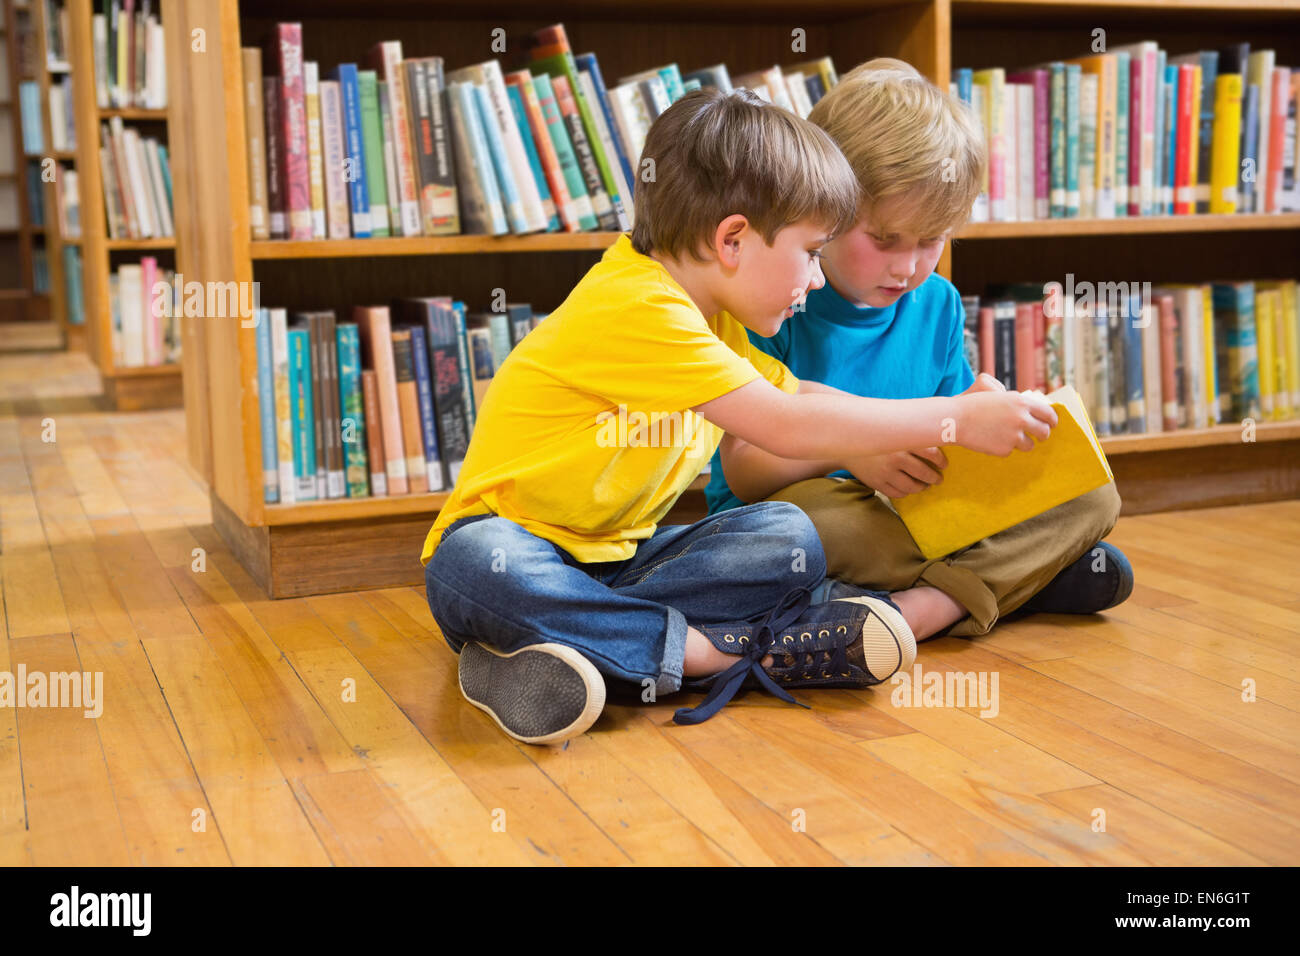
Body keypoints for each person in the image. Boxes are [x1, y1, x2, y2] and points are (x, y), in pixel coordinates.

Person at [421, 87, 1058, 745]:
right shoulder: (642, 307)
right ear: (733, 240)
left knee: (786, 535)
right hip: (509, 554)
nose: (815, 279)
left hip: (614, 566)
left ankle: (545, 655)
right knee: (475, 557)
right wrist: (952, 419)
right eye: (811, 252)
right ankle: (718, 657)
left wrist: (955, 410)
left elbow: (805, 396)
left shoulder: (716, 319)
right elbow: (783, 424)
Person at [705, 59, 1132, 643]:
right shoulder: (772, 299)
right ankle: (1001, 586)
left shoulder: (938, 304)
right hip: (800, 511)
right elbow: (744, 468)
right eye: (883, 240)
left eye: (932, 240)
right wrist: (858, 447)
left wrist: (987, 426)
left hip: (910, 512)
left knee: (1092, 493)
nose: (907, 267)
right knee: (804, 532)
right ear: (823, 210)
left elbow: (950, 443)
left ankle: (909, 603)